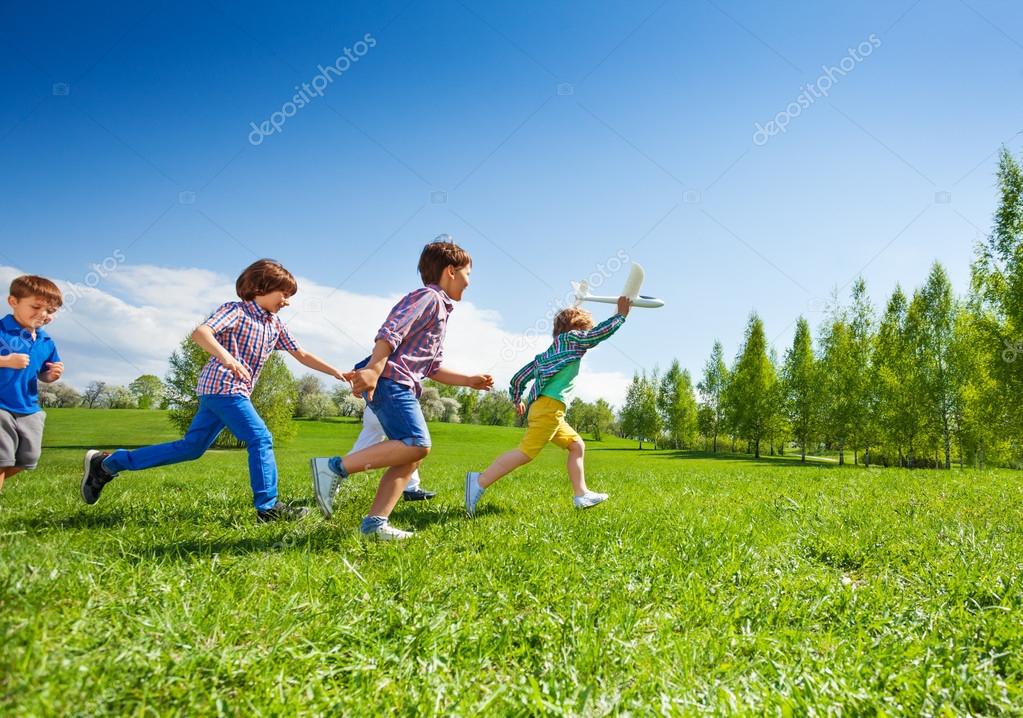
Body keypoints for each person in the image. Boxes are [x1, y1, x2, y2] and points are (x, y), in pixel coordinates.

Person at [81, 259, 345, 522]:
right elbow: (201, 333)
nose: (287, 301)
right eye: (284, 294)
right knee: (260, 437)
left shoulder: (274, 324)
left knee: (191, 448)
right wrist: (228, 359)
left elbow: (301, 354)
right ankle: (268, 507)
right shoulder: (236, 311)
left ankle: (107, 464)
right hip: (223, 387)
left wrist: (335, 371)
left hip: (226, 393)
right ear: (261, 287)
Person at [310, 237, 493, 540]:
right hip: (392, 381)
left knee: (411, 456)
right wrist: (374, 368)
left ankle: (374, 525)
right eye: (468, 274)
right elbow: (391, 331)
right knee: (417, 443)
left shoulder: (442, 310)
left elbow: (432, 368)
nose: (469, 282)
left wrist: (468, 380)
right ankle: (334, 468)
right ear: (451, 271)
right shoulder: (428, 297)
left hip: (401, 384)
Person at [464, 296, 631, 516]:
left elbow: (518, 378)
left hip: (545, 408)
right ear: (577, 328)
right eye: (585, 329)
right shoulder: (572, 338)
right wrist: (620, 315)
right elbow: (596, 335)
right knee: (525, 453)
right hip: (550, 408)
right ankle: (479, 481)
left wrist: (517, 399)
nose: (586, 337)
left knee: (576, 445)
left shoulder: (545, 355)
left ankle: (581, 494)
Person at [0, 275, 64, 492]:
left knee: (28, 459)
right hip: (1, 407)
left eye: (50, 311)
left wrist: (51, 375)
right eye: (36, 307)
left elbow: (43, 374)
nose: (43, 314)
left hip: (28, 408)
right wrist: (5, 361)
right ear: (13, 302)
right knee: (2, 459)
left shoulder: (46, 342)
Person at [349, 406, 436, 501]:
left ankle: (337, 468)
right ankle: (411, 488)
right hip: (388, 409)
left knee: (359, 450)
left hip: (372, 409)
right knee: (410, 443)